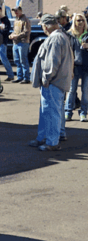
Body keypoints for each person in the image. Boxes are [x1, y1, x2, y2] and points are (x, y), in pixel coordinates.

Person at [28, 14, 73, 151]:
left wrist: (46, 79)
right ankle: (43, 138)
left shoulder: (55, 38)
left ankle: (52, 142)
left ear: (47, 25)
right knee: (47, 111)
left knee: (51, 112)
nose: (42, 28)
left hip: (53, 82)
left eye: (42, 25)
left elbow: (52, 63)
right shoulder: (60, 36)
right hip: (54, 82)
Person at [65, 13, 88, 122]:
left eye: (82, 20)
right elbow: (67, 52)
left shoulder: (87, 35)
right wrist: (69, 67)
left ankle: (83, 113)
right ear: (74, 22)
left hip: (86, 67)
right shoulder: (70, 35)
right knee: (71, 90)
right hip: (74, 66)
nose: (80, 22)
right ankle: (68, 112)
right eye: (78, 20)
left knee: (85, 91)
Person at [0, 8, 15, 81]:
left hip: (2, 42)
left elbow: (5, 31)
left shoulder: (6, 21)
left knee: (3, 58)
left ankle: (10, 75)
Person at [10, 6, 31, 84]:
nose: (15, 12)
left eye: (17, 11)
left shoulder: (25, 20)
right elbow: (14, 30)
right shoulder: (16, 20)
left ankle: (26, 78)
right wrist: (11, 35)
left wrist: (16, 36)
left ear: (21, 11)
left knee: (23, 60)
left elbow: (26, 32)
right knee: (17, 61)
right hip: (15, 43)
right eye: (14, 11)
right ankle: (19, 77)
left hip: (23, 42)